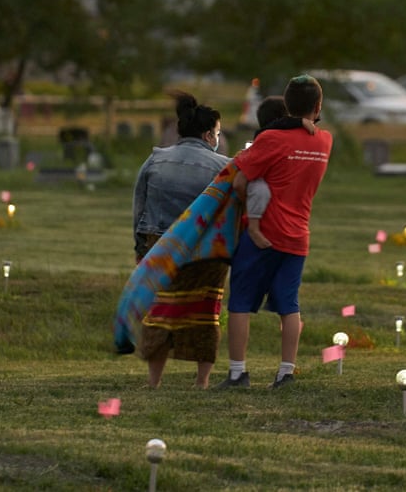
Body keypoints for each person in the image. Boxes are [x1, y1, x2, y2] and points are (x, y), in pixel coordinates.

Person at [218, 75, 332, 389]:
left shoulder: (271, 140)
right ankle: (286, 373)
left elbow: (240, 180)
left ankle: (238, 373)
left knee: (240, 302)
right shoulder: (324, 141)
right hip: (298, 235)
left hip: (262, 233)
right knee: (289, 305)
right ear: (318, 106)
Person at [132, 91, 229, 388]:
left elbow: (140, 205)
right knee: (205, 312)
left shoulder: (155, 158)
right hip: (205, 252)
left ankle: (154, 380)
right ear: (207, 134)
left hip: (159, 245)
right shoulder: (223, 166)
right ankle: (202, 381)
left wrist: (140, 248)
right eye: (217, 132)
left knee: (160, 310)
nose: (218, 137)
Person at [246, 96, 315, 249]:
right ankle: (254, 227)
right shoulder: (267, 135)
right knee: (260, 190)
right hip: (256, 183)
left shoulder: (273, 136)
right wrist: (298, 122)